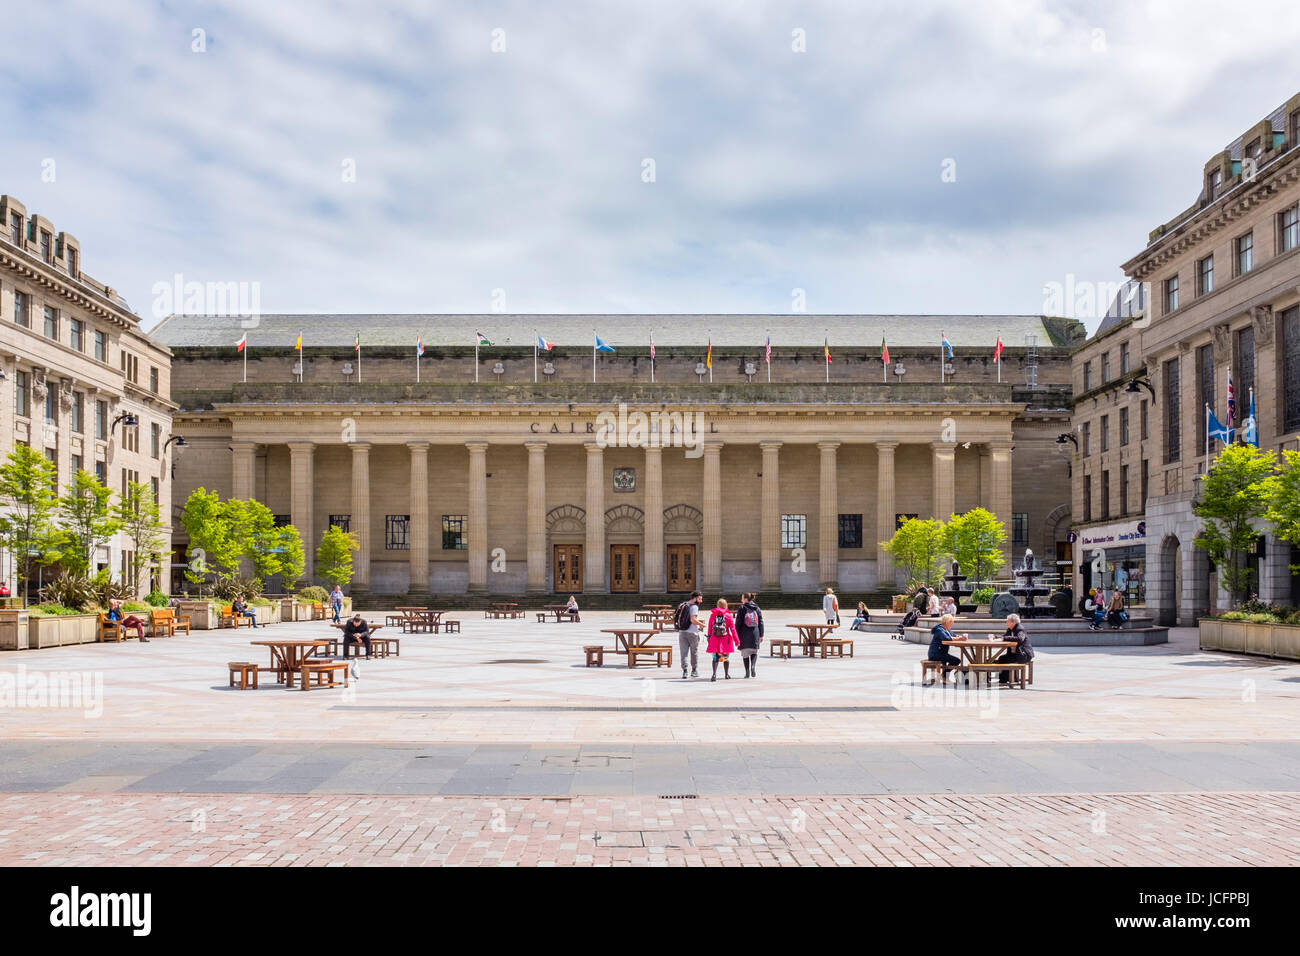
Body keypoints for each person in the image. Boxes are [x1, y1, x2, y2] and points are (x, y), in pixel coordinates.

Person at [705, 598, 739, 681]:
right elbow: (733, 629)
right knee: (725, 658)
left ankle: (714, 674)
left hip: (714, 639)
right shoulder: (728, 615)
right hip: (725, 639)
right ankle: (726, 674)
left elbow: (709, 628)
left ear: (718, 605)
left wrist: (709, 638)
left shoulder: (713, 615)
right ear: (725, 605)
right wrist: (736, 641)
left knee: (715, 658)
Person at [995, 613, 1034, 685]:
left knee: (1005, 660)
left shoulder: (1020, 629)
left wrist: (1004, 638)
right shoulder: (1010, 629)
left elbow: (1020, 639)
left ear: (1013, 622)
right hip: (1016, 653)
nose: (1006, 622)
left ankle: (1006, 679)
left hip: (1024, 654)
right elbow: (1005, 636)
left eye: (1007, 621)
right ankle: (1005, 679)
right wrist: (997, 637)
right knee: (1002, 658)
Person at [675, 591, 704, 679]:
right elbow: (693, 620)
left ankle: (685, 671)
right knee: (694, 652)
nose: (701, 601)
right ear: (695, 598)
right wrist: (702, 625)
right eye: (700, 599)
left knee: (683, 652)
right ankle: (694, 670)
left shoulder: (683, 604)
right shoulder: (694, 606)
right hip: (692, 633)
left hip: (682, 632)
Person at [926, 613, 965, 681]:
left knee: (955, 660)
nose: (952, 623)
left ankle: (944, 676)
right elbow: (946, 638)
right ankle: (944, 676)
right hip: (935, 654)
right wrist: (959, 639)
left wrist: (960, 637)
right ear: (947, 622)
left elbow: (954, 636)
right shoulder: (939, 630)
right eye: (951, 621)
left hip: (942, 653)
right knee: (956, 661)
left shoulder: (947, 629)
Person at [734, 592, 764, 677]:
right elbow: (761, 622)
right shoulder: (757, 608)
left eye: (742, 598)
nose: (741, 600)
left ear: (746, 599)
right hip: (755, 632)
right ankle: (753, 667)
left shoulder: (742, 608)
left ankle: (747, 672)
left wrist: (736, 634)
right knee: (754, 651)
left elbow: (738, 622)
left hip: (744, 633)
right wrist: (761, 635)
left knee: (745, 653)